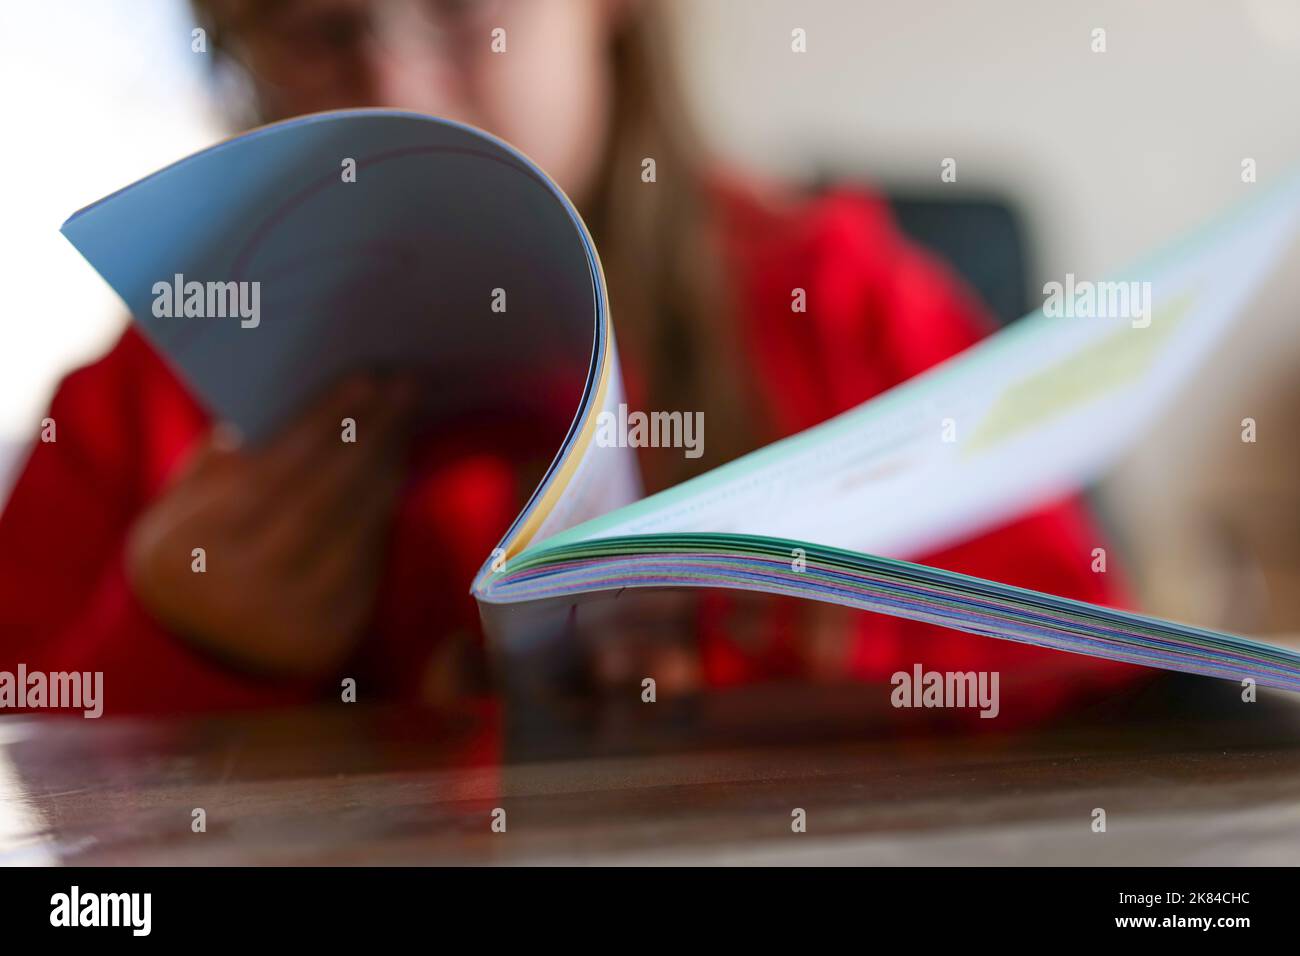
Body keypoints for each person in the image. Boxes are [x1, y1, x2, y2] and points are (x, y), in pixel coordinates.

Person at [0, 0, 1140, 717]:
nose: (396, 90)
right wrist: (182, 638)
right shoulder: (138, 404)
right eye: (319, 33)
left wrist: (785, 665)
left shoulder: (852, 315)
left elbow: (1096, 684)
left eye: (459, 18)